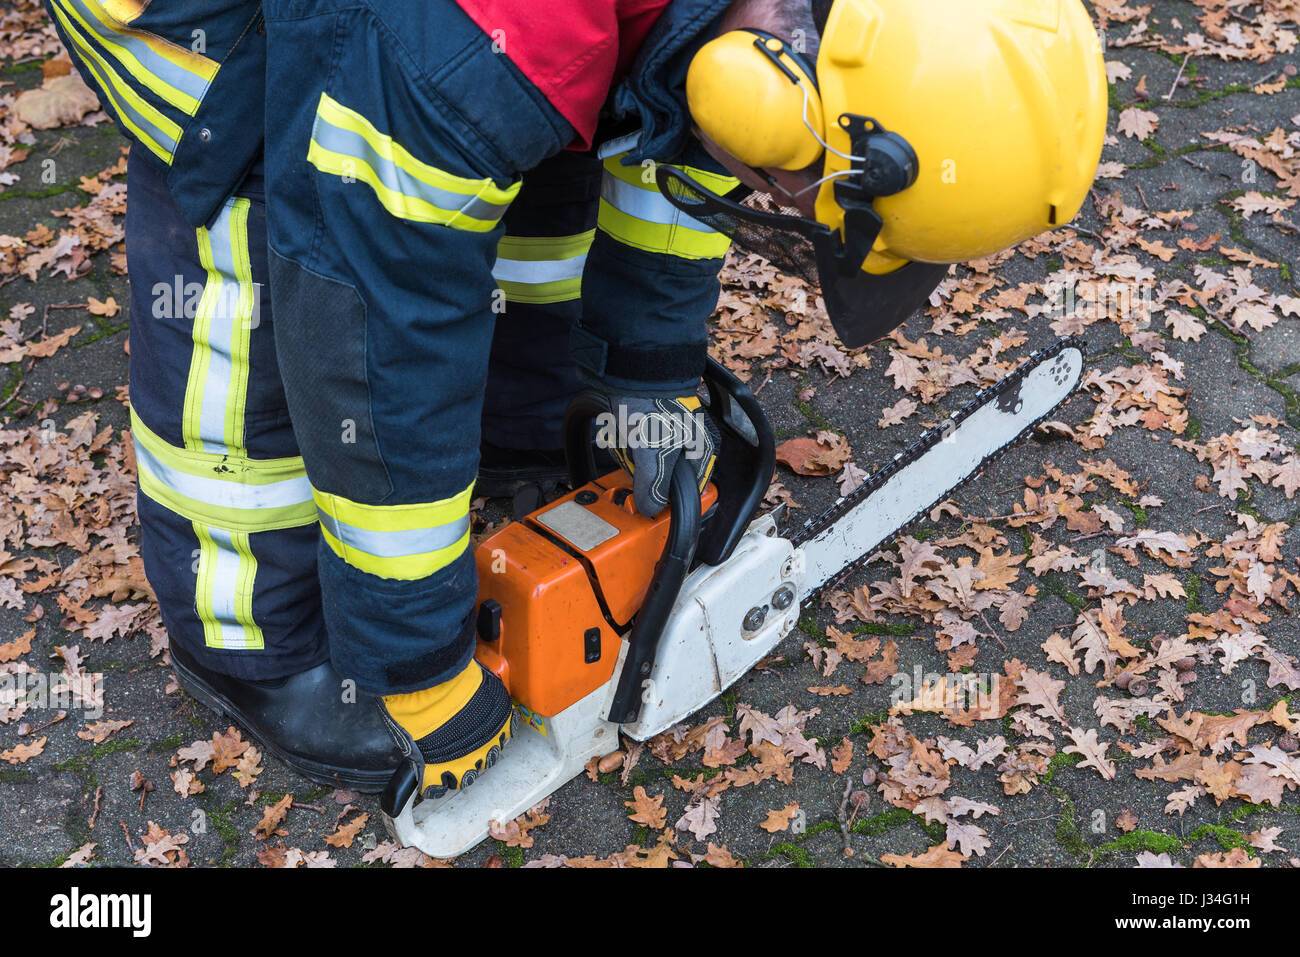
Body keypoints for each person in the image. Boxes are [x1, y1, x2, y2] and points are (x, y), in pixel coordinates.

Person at [45, 0, 1106, 814]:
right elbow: (373, 336)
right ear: (767, 84)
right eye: (793, 186)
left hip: (465, 51)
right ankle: (251, 644)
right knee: (271, 252)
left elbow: (668, 130)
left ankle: (515, 430)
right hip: (208, 28)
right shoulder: (473, 46)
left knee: (549, 147)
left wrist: (644, 377)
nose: (778, 204)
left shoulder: (759, 47)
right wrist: (413, 664)